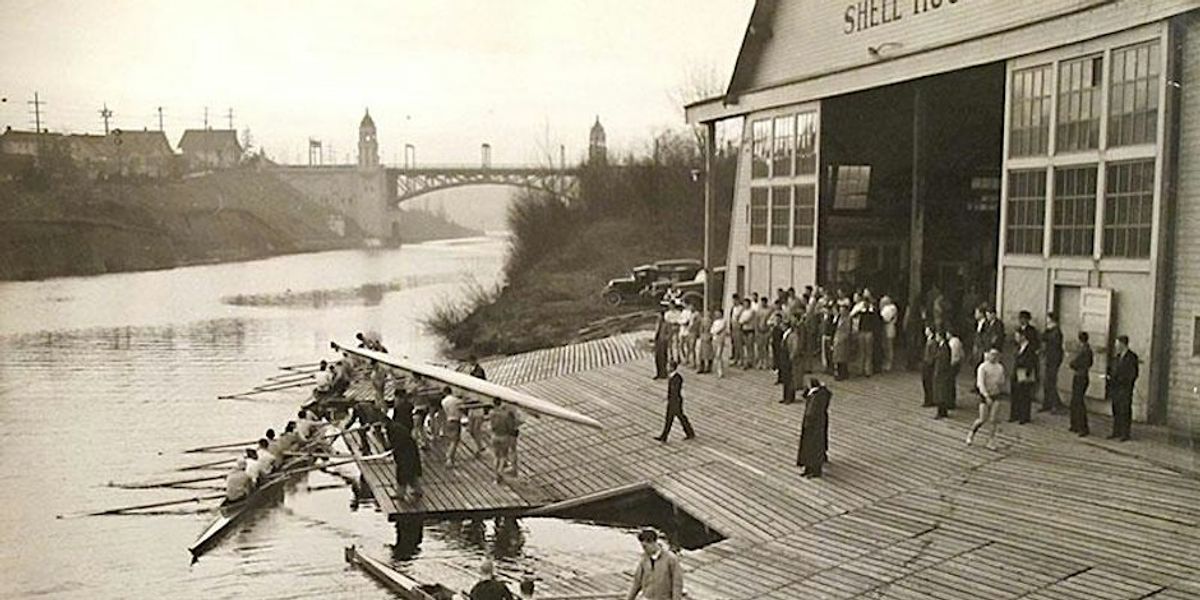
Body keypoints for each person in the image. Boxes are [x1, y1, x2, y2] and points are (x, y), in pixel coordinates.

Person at [624, 529, 683, 600]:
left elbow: (677, 584)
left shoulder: (671, 559)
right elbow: (637, 582)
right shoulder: (644, 560)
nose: (644, 549)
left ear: (653, 542)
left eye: (645, 546)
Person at [967, 348, 1006, 450]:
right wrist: (986, 396)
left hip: (996, 394)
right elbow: (980, 383)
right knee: (982, 419)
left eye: (996, 355)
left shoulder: (1000, 367)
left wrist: (1000, 386)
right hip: (985, 395)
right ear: (988, 355)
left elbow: (1002, 380)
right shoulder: (983, 367)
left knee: (993, 419)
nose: (994, 357)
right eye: (992, 354)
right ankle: (971, 433)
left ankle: (990, 441)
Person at [385, 406, 423, 503]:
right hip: (408, 451)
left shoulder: (394, 429)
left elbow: (398, 443)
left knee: (403, 472)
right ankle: (417, 490)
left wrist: (392, 449)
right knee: (411, 472)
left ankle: (400, 493)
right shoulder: (395, 427)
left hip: (406, 453)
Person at [1106, 335, 1139, 441]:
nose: (1116, 346)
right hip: (1116, 387)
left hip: (1125, 388)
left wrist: (1126, 382)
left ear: (1122, 344)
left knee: (1125, 410)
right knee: (1116, 409)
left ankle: (1125, 433)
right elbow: (1113, 369)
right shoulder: (1117, 357)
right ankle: (1116, 431)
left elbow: (1133, 373)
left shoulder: (1132, 357)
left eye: (1117, 343)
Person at [796, 379, 831, 478]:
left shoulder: (817, 395)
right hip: (814, 423)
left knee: (813, 447)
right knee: (811, 447)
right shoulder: (818, 394)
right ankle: (809, 468)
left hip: (814, 424)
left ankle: (814, 470)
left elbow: (811, 412)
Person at [654, 361, 695, 442]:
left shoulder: (677, 378)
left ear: (672, 368)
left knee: (678, 418)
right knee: (673, 418)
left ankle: (689, 432)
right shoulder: (673, 377)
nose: (667, 368)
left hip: (675, 402)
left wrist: (671, 399)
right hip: (673, 401)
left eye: (668, 366)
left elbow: (675, 391)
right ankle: (665, 436)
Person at [1068, 331, 1094, 437]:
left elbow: (1074, 363)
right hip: (1082, 376)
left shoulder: (1084, 351)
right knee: (1075, 401)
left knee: (1078, 402)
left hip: (1080, 377)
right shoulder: (1087, 350)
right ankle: (1075, 424)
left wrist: (1073, 364)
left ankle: (1082, 427)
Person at [1010, 328, 1038, 424]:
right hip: (1017, 370)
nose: (1016, 338)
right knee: (1015, 393)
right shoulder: (1018, 347)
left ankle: (1024, 416)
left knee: (1024, 394)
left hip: (1024, 371)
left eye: (1017, 336)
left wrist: (1027, 374)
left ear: (1023, 336)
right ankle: (1014, 415)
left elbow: (1032, 362)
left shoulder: (1030, 348)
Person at [1040, 312, 1065, 413]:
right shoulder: (1051, 330)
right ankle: (1047, 403)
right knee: (1047, 382)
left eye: (1048, 319)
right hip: (1050, 358)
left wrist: (1048, 330)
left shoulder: (1056, 332)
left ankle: (1055, 404)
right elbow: (1043, 337)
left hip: (1054, 359)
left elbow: (1048, 339)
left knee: (1051, 382)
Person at [489, 398, 519, 481]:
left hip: (495, 436)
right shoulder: (505, 415)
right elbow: (509, 427)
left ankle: (495, 474)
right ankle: (499, 473)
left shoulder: (491, 413)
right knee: (503, 456)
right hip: (504, 436)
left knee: (496, 457)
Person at [932, 331, 955, 419]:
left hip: (942, 373)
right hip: (939, 372)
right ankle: (942, 411)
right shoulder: (941, 347)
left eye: (937, 336)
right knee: (940, 392)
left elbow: (944, 361)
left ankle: (941, 411)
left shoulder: (945, 348)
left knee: (941, 392)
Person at [440, 386, 466, 467]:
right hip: (456, 421)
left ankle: (449, 457)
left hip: (448, 420)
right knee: (455, 441)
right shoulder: (456, 400)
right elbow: (463, 408)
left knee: (450, 439)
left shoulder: (443, 401)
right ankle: (449, 458)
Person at [831, 304, 853, 381]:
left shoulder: (848, 319)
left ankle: (843, 374)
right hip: (837, 338)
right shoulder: (839, 318)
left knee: (842, 358)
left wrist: (842, 339)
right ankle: (840, 373)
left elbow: (847, 331)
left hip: (843, 340)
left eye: (843, 310)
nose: (841, 312)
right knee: (837, 357)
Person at [779, 320, 797, 404]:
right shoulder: (785, 334)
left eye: (782, 325)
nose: (781, 326)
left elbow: (794, 348)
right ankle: (785, 396)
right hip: (784, 359)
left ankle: (790, 397)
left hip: (788, 359)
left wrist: (791, 358)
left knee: (790, 379)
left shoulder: (793, 335)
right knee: (785, 378)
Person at [880, 296, 899, 372]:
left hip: (889, 328)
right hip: (885, 328)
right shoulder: (885, 309)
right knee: (885, 346)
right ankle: (885, 362)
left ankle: (889, 363)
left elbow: (886, 318)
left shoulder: (891, 308)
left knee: (889, 346)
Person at [737, 298, 757, 369]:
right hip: (744, 329)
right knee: (745, 346)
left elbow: (746, 319)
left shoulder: (752, 311)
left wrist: (740, 322)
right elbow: (738, 318)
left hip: (750, 329)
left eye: (746, 303)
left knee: (750, 346)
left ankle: (751, 361)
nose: (745, 305)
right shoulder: (743, 311)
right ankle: (746, 361)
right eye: (744, 303)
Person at [652, 308, 670, 380]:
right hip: (658, 341)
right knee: (657, 358)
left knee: (663, 357)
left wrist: (665, 339)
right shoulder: (657, 324)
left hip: (663, 342)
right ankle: (658, 373)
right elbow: (656, 332)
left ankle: (663, 373)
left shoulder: (666, 324)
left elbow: (669, 333)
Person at [710, 309, 728, 378]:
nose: (716, 314)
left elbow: (719, 329)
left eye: (718, 313)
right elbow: (712, 330)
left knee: (718, 355)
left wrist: (715, 331)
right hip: (714, 339)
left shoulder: (723, 321)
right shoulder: (715, 322)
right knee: (716, 355)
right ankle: (718, 369)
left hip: (720, 340)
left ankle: (720, 371)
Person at [697, 308, 714, 374]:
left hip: (709, 336)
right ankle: (702, 366)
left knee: (708, 352)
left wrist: (710, 335)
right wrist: (701, 334)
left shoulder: (711, 321)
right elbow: (700, 329)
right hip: (703, 336)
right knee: (701, 353)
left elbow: (712, 329)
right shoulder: (702, 321)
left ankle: (709, 367)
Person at [729, 294, 744, 366]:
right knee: (734, 343)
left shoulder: (741, 308)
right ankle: (736, 358)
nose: (734, 301)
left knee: (739, 344)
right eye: (733, 300)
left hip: (738, 326)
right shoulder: (733, 308)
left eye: (735, 300)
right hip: (733, 326)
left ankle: (741, 359)